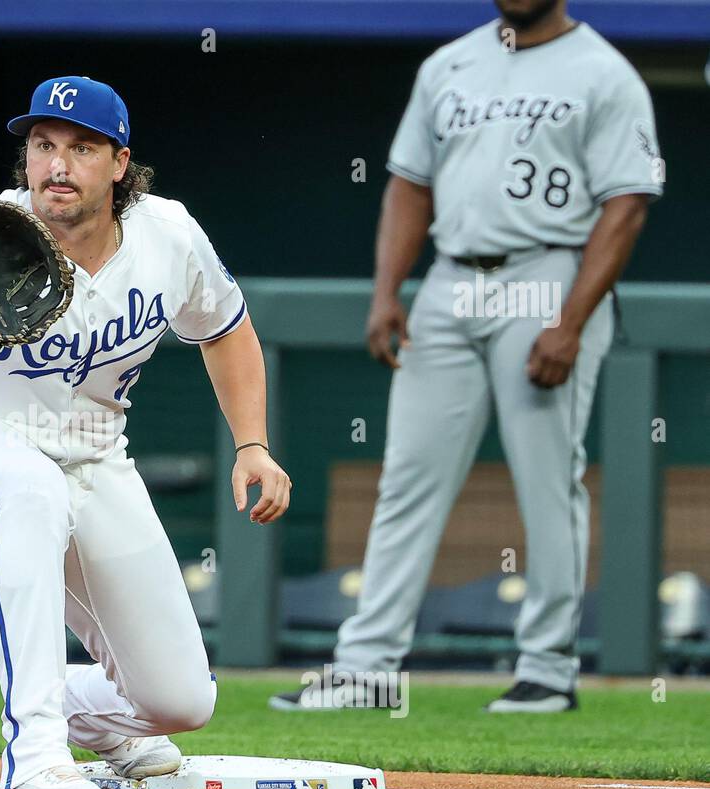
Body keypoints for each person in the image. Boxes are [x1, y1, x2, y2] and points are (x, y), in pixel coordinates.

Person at [0, 76, 292, 789]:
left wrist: (252, 444)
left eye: (80, 147)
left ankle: (76, 708)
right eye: (41, 146)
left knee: (179, 702)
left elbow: (225, 327)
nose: (56, 164)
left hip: (94, 456)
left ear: (120, 163)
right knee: (29, 494)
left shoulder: (168, 235)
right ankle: (34, 758)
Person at [270, 0, 660, 715]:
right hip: (450, 278)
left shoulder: (605, 72)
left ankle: (547, 667)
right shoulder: (448, 64)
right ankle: (367, 669)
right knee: (407, 478)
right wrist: (388, 290)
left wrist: (570, 318)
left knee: (549, 480)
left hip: (548, 269)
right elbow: (409, 184)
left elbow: (627, 203)